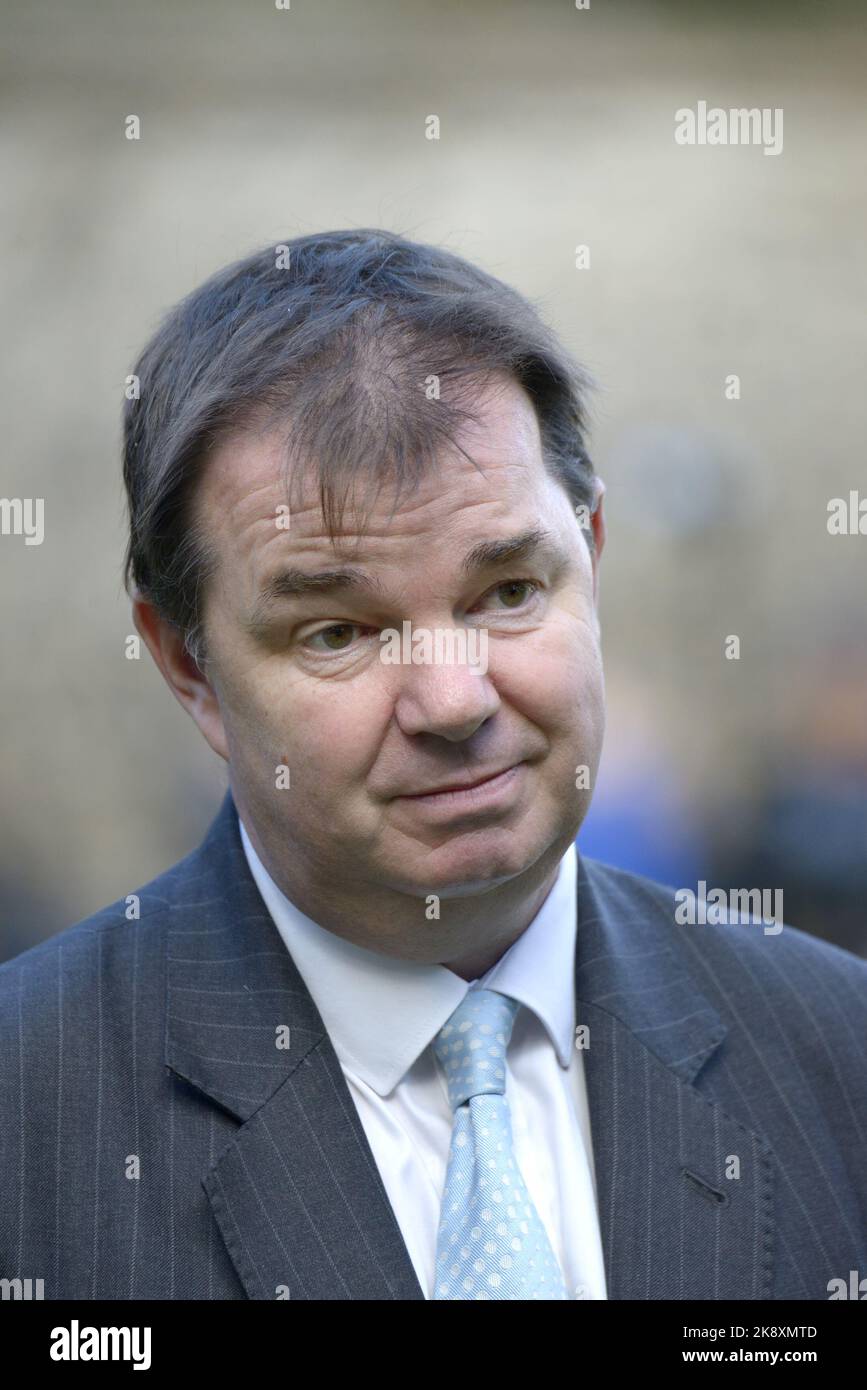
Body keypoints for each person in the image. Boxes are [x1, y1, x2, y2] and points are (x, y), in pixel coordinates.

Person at [1, 229, 864, 1301]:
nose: (454, 699)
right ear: (190, 665)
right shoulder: (29, 1119)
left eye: (508, 594)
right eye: (339, 632)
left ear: (590, 555)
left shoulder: (838, 1055)